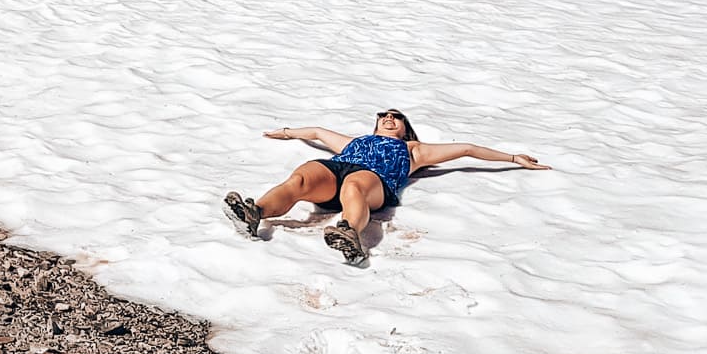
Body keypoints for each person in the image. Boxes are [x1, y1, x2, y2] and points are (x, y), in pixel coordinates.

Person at [222, 109, 548, 264]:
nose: (388, 118)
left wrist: (514, 157)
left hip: (373, 182)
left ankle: (349, 232)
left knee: (354, 186)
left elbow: (466, 149)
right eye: (383, 116)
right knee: (303, 176)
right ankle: (256, 213)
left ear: (406, 128)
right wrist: (288, 131)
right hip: (336, 171)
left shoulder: (413, 150)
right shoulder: (355, 141)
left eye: (396, 117)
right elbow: (319, 132)